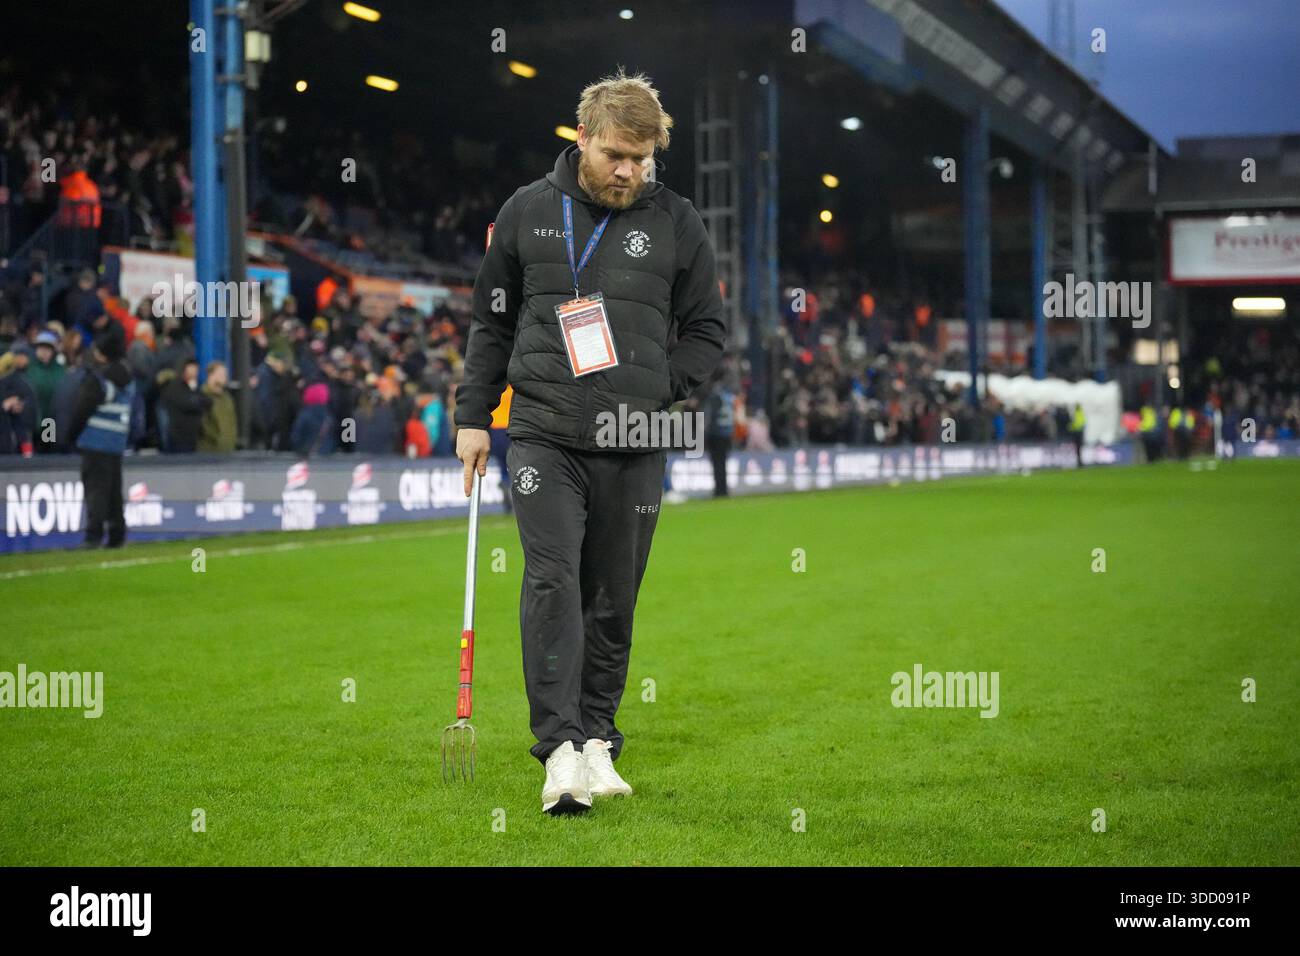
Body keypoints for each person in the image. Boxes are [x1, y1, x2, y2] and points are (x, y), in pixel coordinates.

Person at [453, 68, 725, 816]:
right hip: (542, 431)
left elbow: (709, 332)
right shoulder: (526, 212)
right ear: (582, 139)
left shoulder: (678, 221)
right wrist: (474, 417)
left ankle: (599, 734)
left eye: (642, 158)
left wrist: (657, 386)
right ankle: (560, 748)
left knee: (614, 596)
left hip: (635, 434)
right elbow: (490, 323)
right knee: (551, 582)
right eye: (616, 155)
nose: (630, 171)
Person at [68, 331, 134, 549]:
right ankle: (117, 535)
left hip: (96, 442)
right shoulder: (127, 380)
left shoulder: (98, 380)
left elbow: (80, 411)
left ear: (103, 355)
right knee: (114, 491)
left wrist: (68, 437)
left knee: (96, 490)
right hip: (116, 443)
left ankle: (93, 536)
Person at [198, 360, 237, 452]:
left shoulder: (227, 397)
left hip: (228, 450)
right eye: (221, 374)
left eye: (225, 375)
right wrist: (217, 439)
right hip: (209, 452)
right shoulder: (202, 396)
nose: (224, 378)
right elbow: (203, 424)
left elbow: (232, 421)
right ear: (211, 375)